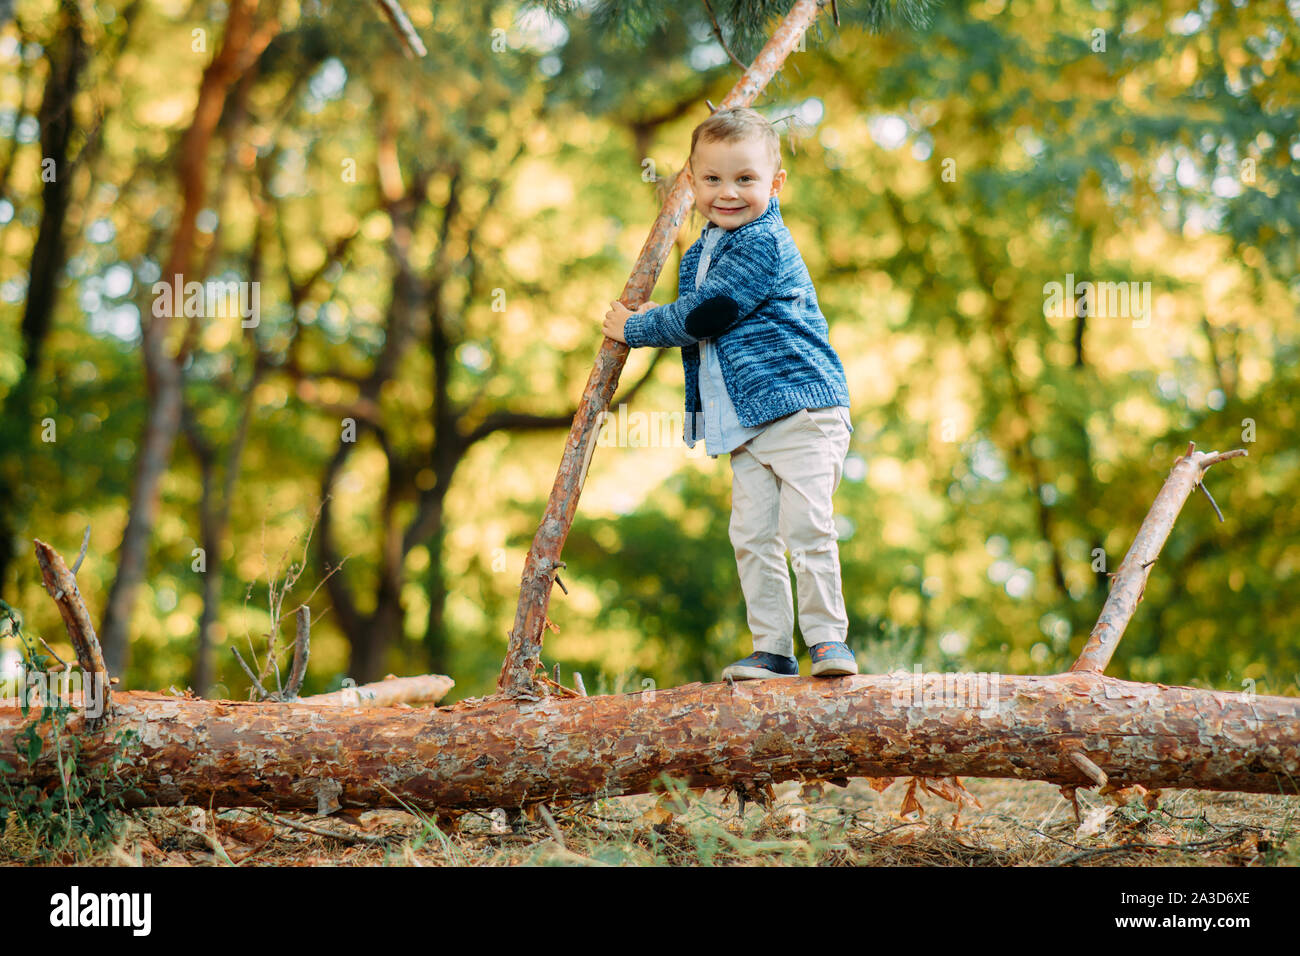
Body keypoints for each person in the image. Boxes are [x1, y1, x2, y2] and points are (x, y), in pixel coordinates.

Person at [602, 106, 857, 680]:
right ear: (689, 183)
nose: (729, 193)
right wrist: (659, 314)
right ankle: (772, 648)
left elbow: (709, 313)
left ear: (776, 183)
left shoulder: (763, 243)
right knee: (751, 535)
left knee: (807, 526)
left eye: (746, 179)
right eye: (713, 179)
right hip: (746, 424)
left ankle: (827, 641)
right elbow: (697, 313)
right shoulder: (703, 251)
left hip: (802, 409)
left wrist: (637, 327)